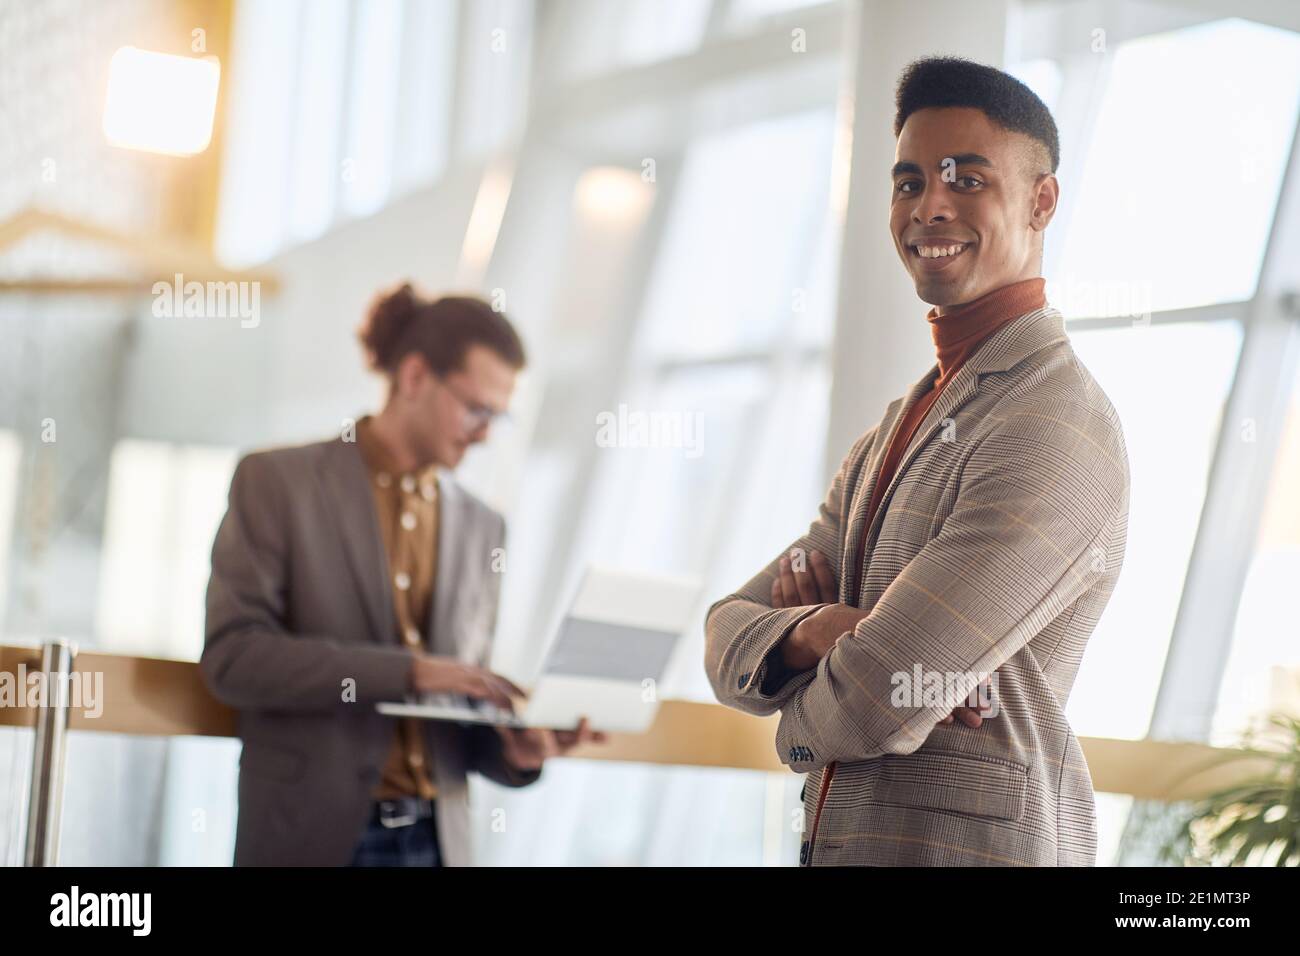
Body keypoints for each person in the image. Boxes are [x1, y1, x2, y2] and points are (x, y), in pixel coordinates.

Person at [705, 56, 1130, 866]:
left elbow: (883, 695)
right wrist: (813, 630)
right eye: (908, 184)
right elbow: (725, 629)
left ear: (1041, 201)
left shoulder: (1055, 423)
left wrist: (798, 725)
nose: (929, 206)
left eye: (966, 180)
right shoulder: (899, 425)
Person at [202, 283, 602, 866]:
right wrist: (411, 671)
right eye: (476, 409)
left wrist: (514, 749)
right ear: (414, 377)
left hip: (438, 843)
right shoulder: (278, 482)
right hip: (317, 835)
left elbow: (455, 711)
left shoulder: (484, 526)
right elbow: (234, 659)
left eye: (499, 416)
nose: (486, 432)